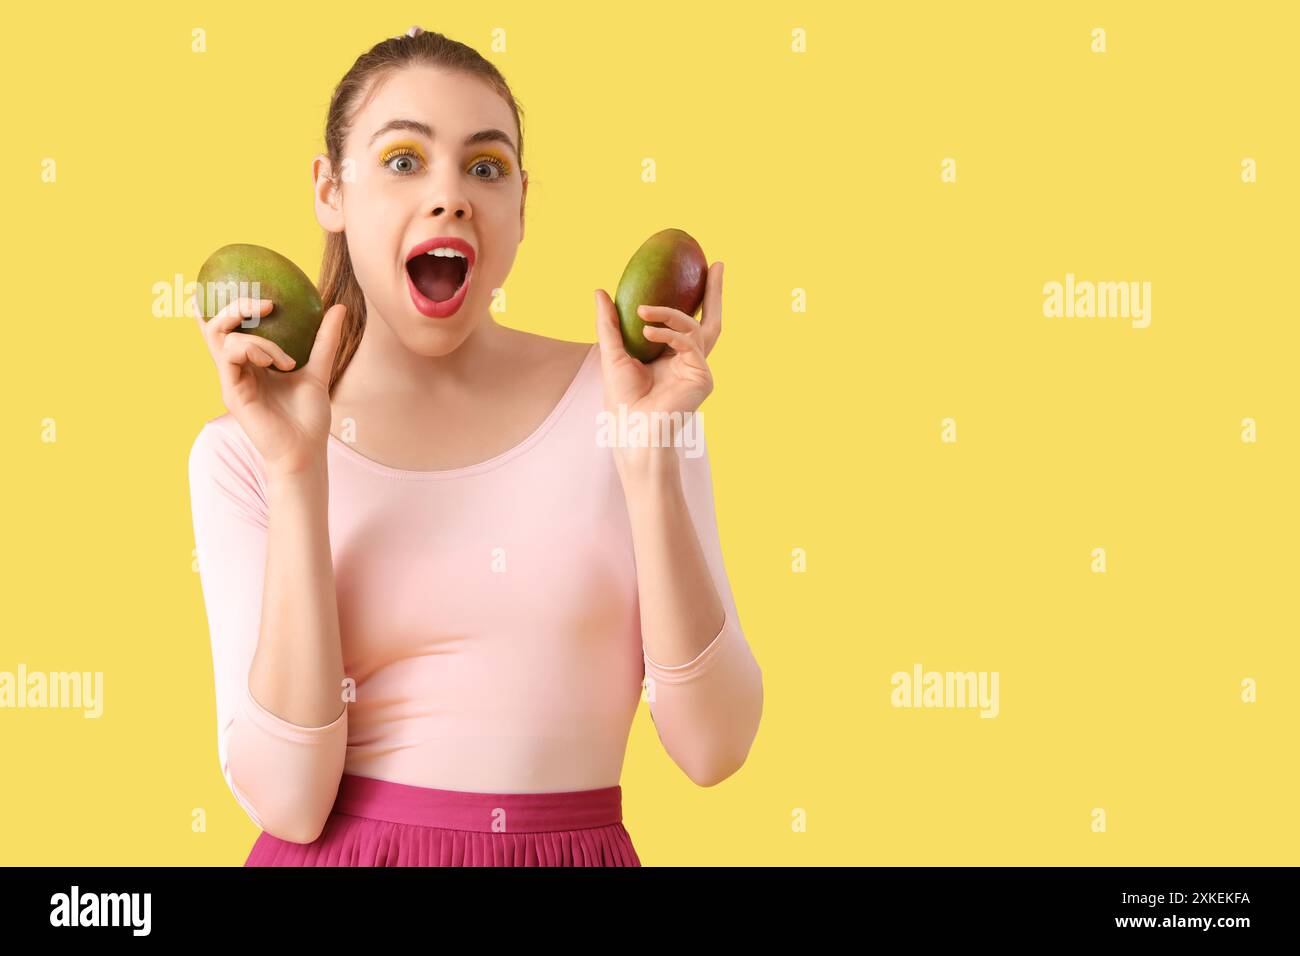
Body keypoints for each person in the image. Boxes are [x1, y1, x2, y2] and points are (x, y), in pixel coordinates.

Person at [187, 25, 763, 867]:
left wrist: (648, 457)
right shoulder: (243, 454)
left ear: (521, 208)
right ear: (330, 190)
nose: (450, 195)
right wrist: (299, 472)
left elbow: (716, 748)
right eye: (403, 160)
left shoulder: (633, 401)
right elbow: (290, 803)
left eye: (484, 168)